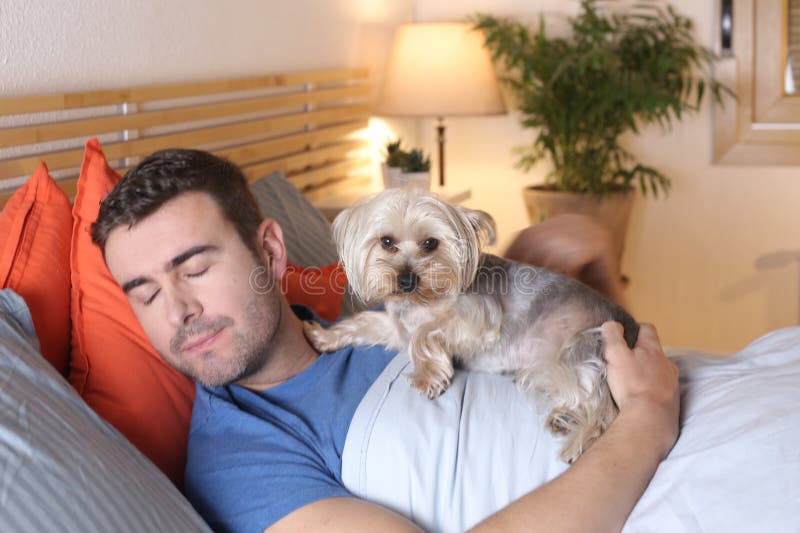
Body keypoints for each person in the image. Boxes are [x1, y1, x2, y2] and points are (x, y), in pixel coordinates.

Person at [92, 149, 679, 533]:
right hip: (656, 472)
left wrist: (597, 283)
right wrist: (646, 423)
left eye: (195, 269)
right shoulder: (241, 458)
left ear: (270, 252)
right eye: (145, 293)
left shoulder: (384, 317)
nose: (180, 312)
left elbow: (554, 346)